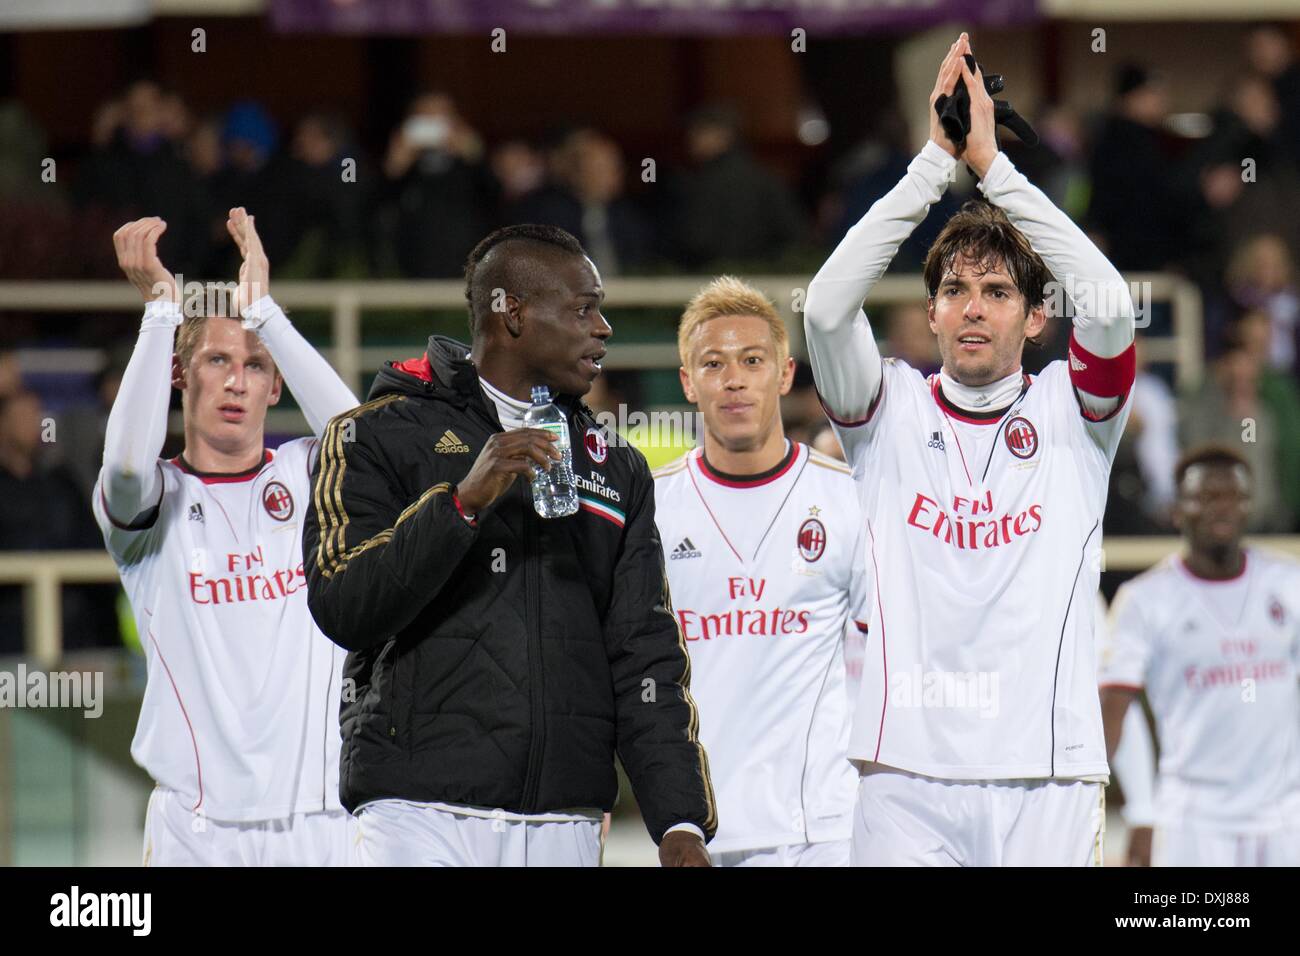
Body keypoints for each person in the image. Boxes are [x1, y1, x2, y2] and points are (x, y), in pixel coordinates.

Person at [803, 33, 1136, 866]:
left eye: (997, 292)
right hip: (904, 776)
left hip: (1050, 773)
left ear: (1035, 319)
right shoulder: (884, 412)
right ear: (934, 315)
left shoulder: (1077, 411)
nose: (974, 307)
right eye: (955, 290)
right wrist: (931, 168)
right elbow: (824, 313)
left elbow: (1110, 306)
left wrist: (995, 169)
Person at [302, 224, 716, 867]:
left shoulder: (616, 466)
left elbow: (643, 652)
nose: (603, 328)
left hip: (565, 821)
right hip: (417, 814)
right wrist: (460, 504)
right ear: (513, 313)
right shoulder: (375, 435)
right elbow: (343, 603)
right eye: (584, 308)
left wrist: (679, 818)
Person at [93, 209, 359, 865]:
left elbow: (368, 439)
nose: (237, 380)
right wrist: (160, 313)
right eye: (217, 359)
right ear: (181, 376)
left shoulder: (306, 474)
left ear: (276, 386)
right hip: (197, 828)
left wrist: (265, 314)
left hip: (324, 818)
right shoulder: (150, 501)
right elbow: (125, 464)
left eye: (256, 365)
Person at [653, 276, 869, 866]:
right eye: (713, 363)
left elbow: (895, 655)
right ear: (688, 383)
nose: (734, 379)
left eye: (752, 359)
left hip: (824, 830)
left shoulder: (848, 498)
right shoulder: (651, 510)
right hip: (696, 832)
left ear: (784, 373)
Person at [1100, 446, 1300, 867]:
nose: (1222, 508)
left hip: (1284, 815)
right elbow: (1112, 709)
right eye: (1206, 497)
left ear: (1248, 506)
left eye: (1233, 496)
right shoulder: (1145, 600)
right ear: (1177, 511)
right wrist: (1121, 809)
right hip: (1194, 821)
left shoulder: (1288, 584)